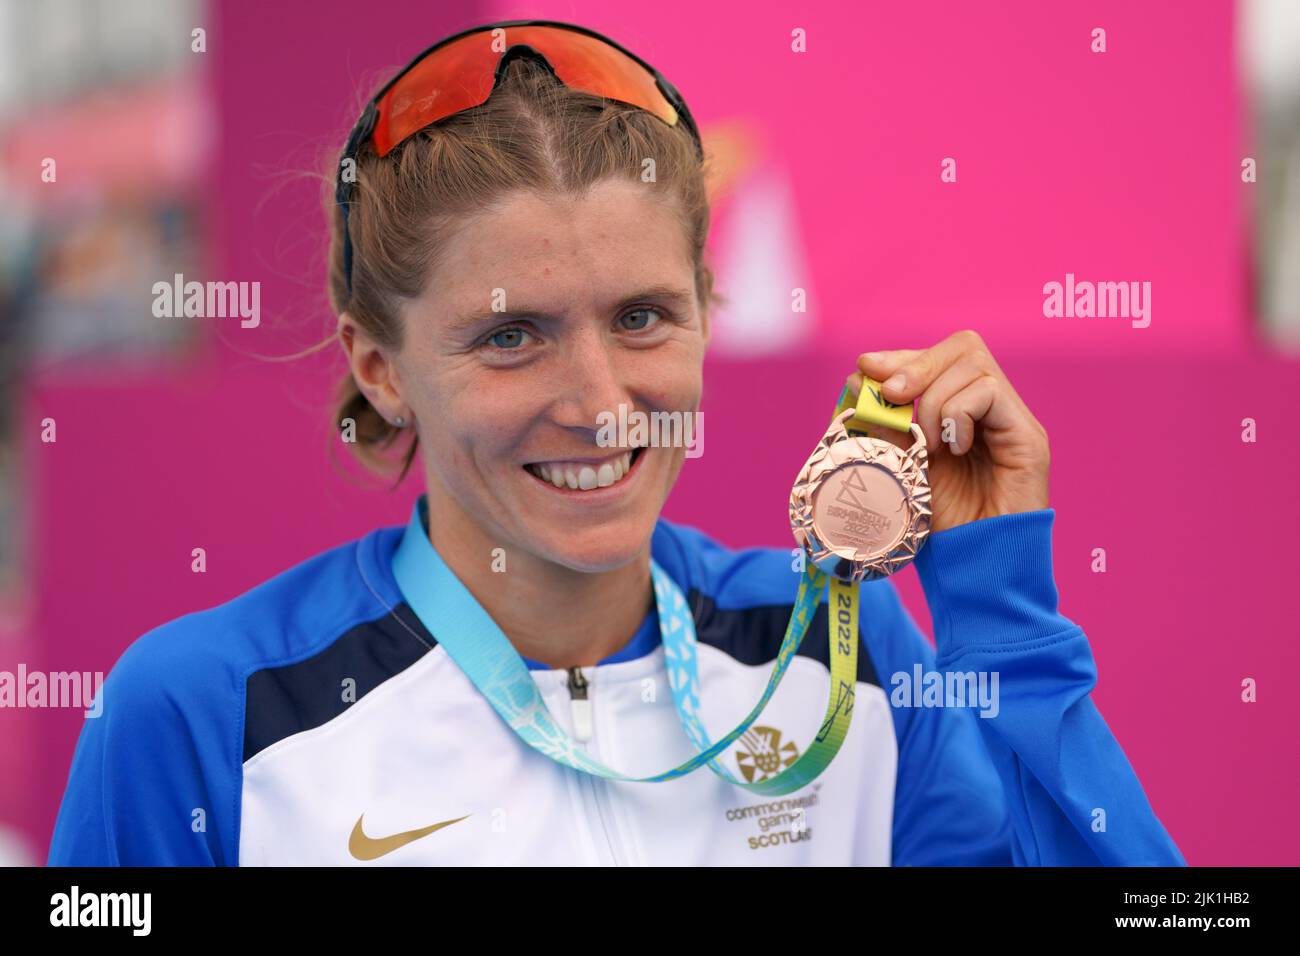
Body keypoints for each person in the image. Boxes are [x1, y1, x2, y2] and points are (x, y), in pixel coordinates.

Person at [48, 19, 1184, 866]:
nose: (599, 403)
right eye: (510, 335)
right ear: (378, 367)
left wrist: (999, 604)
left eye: (641, 316)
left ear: (706, 306)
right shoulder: (205, 712)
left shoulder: (847, 658)